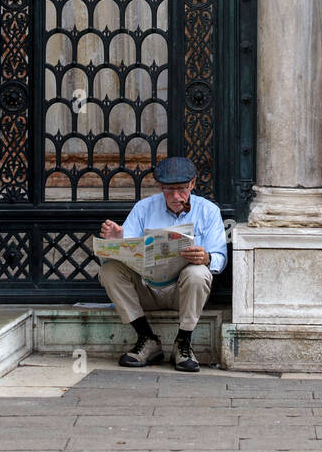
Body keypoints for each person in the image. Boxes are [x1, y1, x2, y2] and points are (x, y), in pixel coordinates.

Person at [96, 157, 228, 373]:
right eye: (169, 190)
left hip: (182, 293)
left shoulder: (208, 211)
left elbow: (220, 258)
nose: (176, 196)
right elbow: (125, 253)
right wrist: (117, 240)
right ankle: (146, 338)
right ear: (160, 186)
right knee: (109, 270)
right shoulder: (144, 208)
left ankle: (183, 342)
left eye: (182, 189)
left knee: (198, 273)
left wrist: (206, 258)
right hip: (147, 289)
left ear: (193, 184)